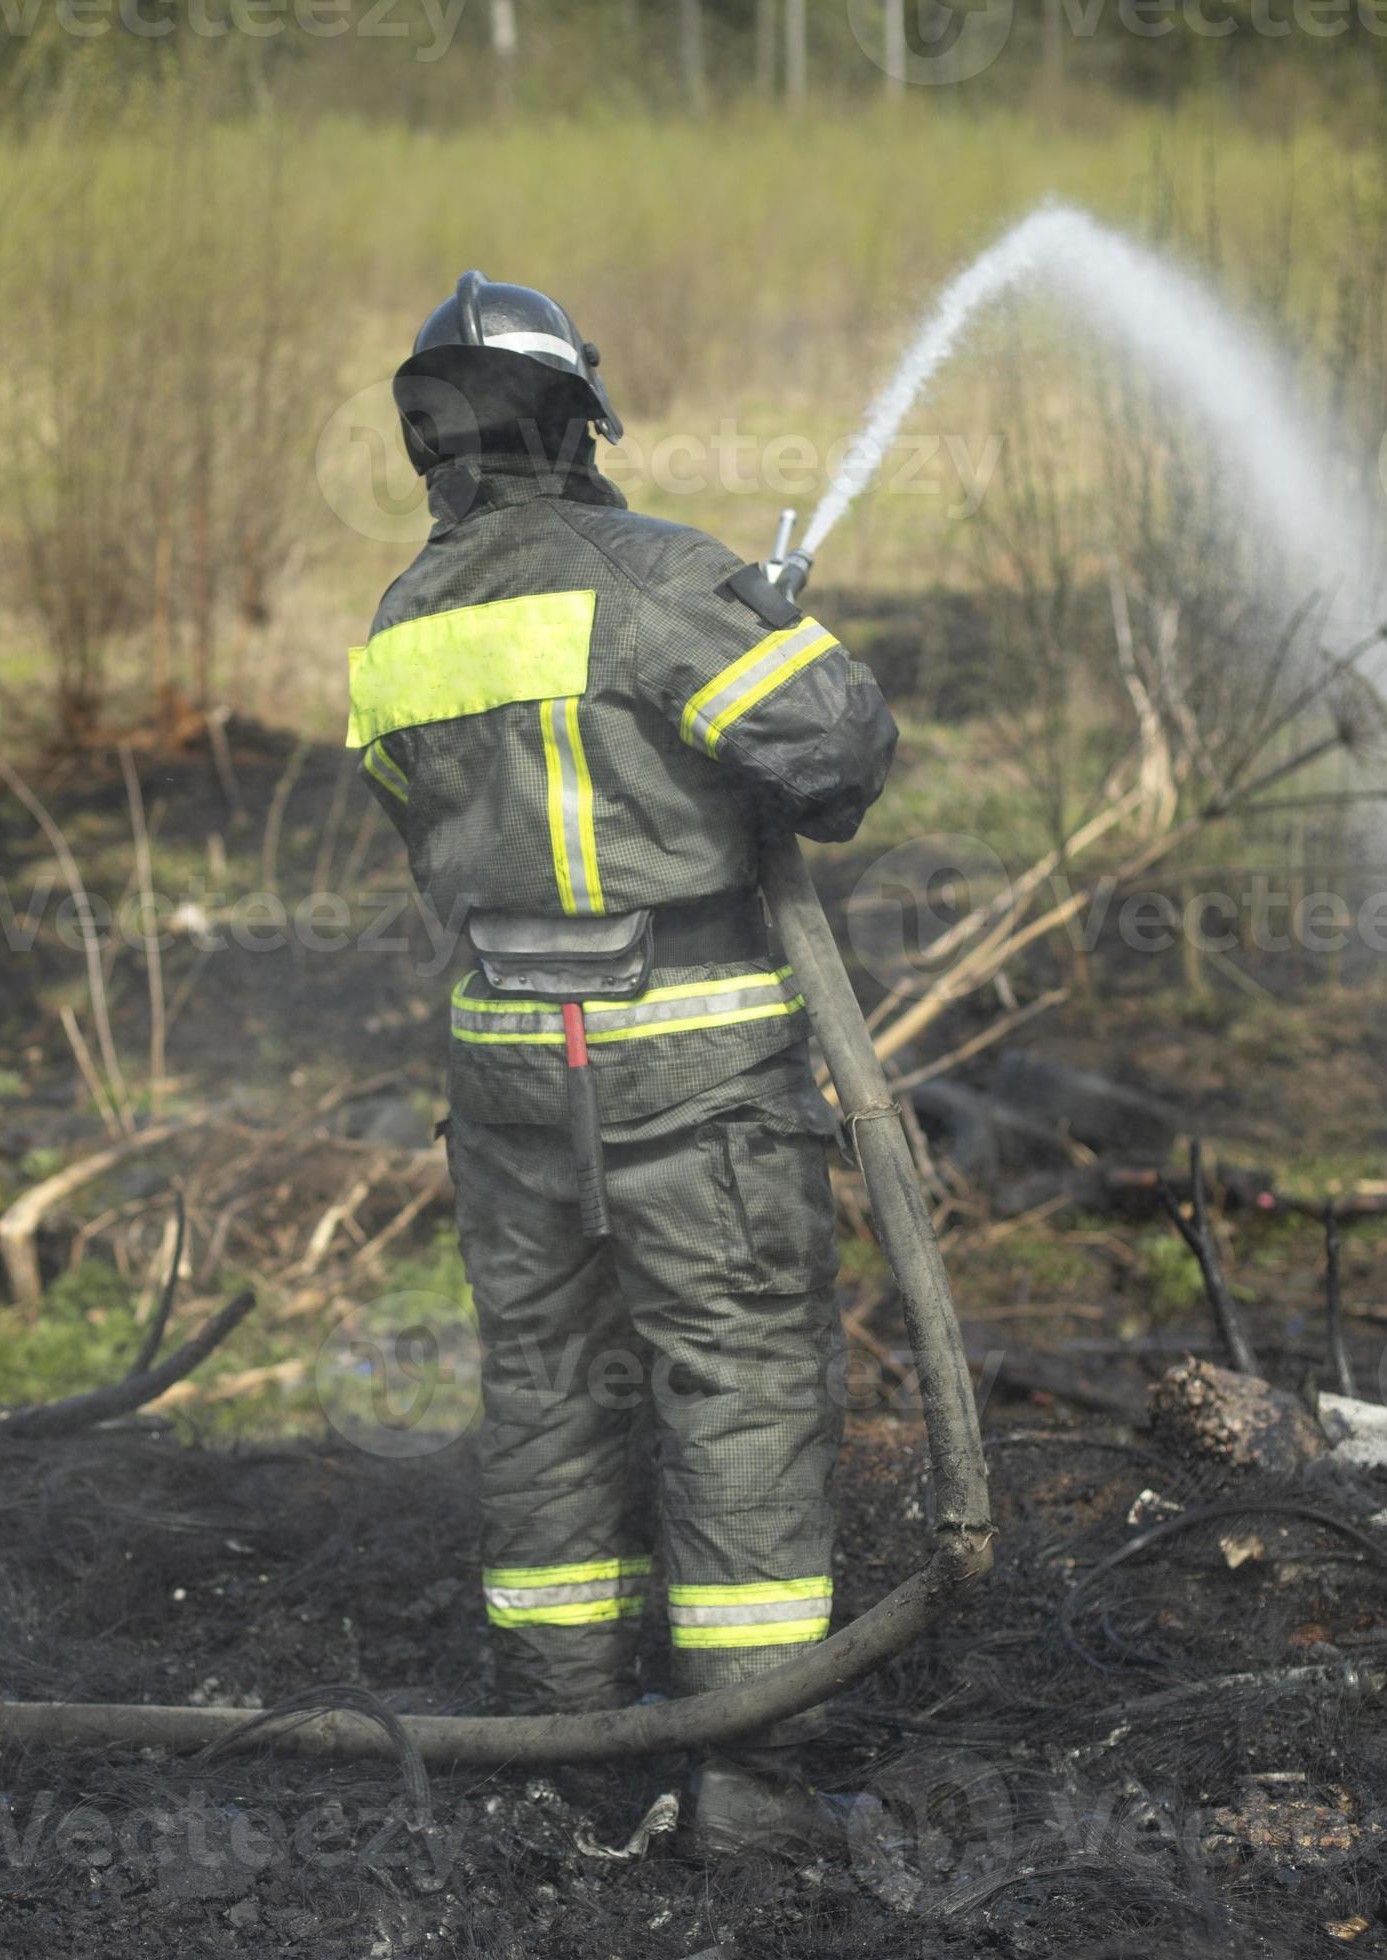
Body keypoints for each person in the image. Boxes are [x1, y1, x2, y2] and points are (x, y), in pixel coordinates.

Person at [347, 272, 899, 1855]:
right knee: (735, 1389)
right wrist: (772, 637)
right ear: (576, 417)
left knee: (548, 1396)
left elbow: (436, 826)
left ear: (432, 443)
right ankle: (748, 1780)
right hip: (698, 1077)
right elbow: (841, 755)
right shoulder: (655, 581)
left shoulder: (402, 624)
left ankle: (565, 1759)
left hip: (508, 1078)